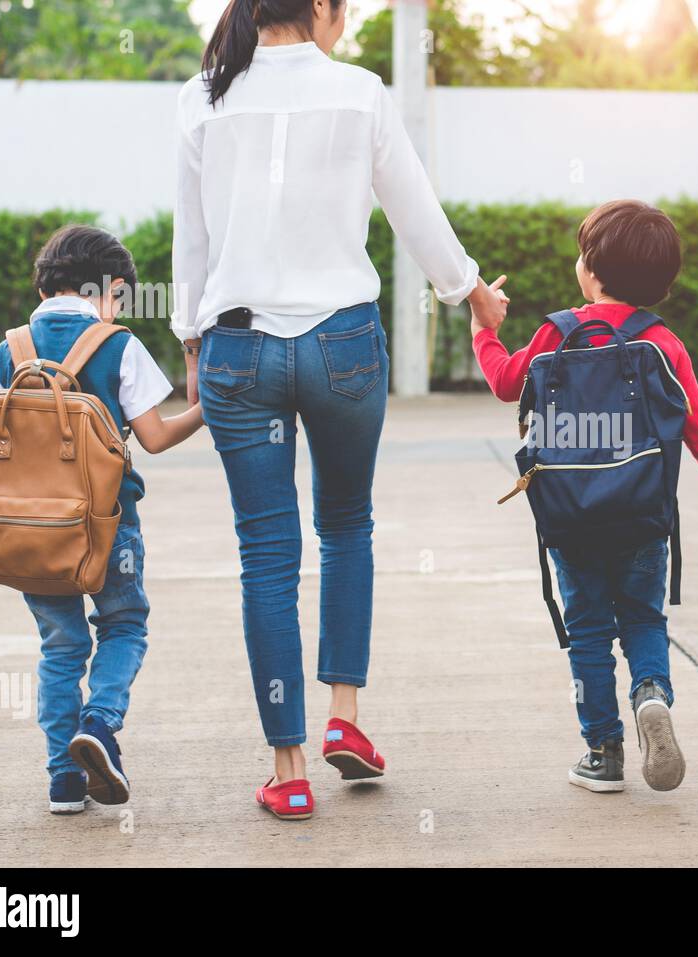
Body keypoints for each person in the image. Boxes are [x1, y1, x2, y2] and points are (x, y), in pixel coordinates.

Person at [173, 0, 508, 820]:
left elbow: (194, 238)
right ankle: (344, 718)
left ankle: (287, 769)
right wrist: (472, 293)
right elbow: (415, 211)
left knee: (265, 553)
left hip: (239, 348)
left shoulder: (203, 95)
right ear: (321, 8)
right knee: (347, 525)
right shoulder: (362, 92)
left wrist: (190, 339)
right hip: (344, 346)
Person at [470, 199, 698, 793]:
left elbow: (504, 384)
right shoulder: (662, 343)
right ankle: (651, 695)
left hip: (570, 518)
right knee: (645, 618)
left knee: (589, 630)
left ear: (590, 270)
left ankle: (604, 753)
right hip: (643, 514)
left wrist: (483, 331)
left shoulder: (556, 332)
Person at [0, 224, 205, 814]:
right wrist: (207, 411)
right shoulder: (117, 344)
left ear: (46, 282)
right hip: (104, 525)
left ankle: (63, 784)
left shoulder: (8, 349)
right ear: (112, 288)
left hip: (23, 532)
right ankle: (100, 723)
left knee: (61, 647)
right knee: (123, 624)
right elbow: (155, 438)